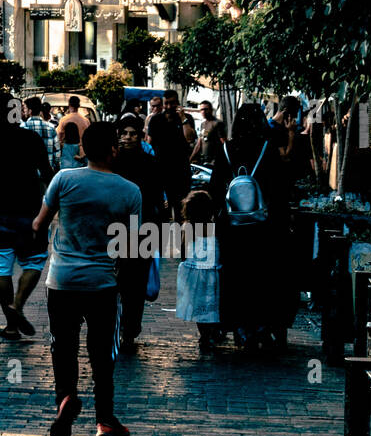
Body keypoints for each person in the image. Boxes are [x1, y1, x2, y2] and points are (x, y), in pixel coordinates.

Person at [33, 121, 140, 436]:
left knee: (63, 347)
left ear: (83, 150)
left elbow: (39, 223)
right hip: (101, 283)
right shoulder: (129, 191)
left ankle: (65, 397)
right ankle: (105, 420)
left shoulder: (64, 179)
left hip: (62, 280)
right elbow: (132, 245)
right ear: (113, 150)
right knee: (102, 353)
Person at [210, 102, 294, 351]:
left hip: (232, 228)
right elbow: (280, 190)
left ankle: (240, 327)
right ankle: (261, 326)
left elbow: (215, 188)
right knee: (262, 277)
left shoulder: (226, 149)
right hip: (264, 227)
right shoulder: (268, 150)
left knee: (235, 277)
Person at [0, 93, 53, 340]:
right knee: (35, 261)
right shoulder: (31, 138)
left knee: (1, 267)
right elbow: (48, 173)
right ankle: (17, 304)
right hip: (30, 212)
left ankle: (11, 325)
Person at [113, 112, 165, 353]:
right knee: (117, 282)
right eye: (124, 133)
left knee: (135, 284)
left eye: (133, 133)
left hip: (143, 230)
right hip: (115, 229)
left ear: (140, 136)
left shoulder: (151, 163)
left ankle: (130, 330)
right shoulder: (111, 162)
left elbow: (155, 198)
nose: (128, 137)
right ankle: (118, 327)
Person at [176, 190, 222, 353]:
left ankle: (204, 334)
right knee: (212, 303)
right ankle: (213, 331)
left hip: (194, 272)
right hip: (212, 271)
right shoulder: (215, 227)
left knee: (198, 305)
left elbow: (182, 252)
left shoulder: (187, 227)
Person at [147, 89, 192, 221]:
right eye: (166, 103)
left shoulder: (186, 119)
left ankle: (180, 238)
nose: (169, 107)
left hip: (180, 171)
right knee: (162, 210)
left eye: (172, 103)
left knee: (181, 209)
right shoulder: (156, 120)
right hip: (160, 171)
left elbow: (189, 138)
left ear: (177, 103)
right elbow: (149, 144)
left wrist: (183, 118)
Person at [22, 96, 60, 174]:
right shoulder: (51, 127)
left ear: (30, 111)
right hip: (47, 172)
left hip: (29, 173)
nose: (24, 111)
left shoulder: (23, 127)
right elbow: (57, 152)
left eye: (25, 108)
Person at [56, 96, 89, 169]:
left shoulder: (64, 120)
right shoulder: (86, 121)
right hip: (83, 154)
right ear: (79, 106)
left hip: (68, 154)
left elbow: (58, 138)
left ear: (69, 105)